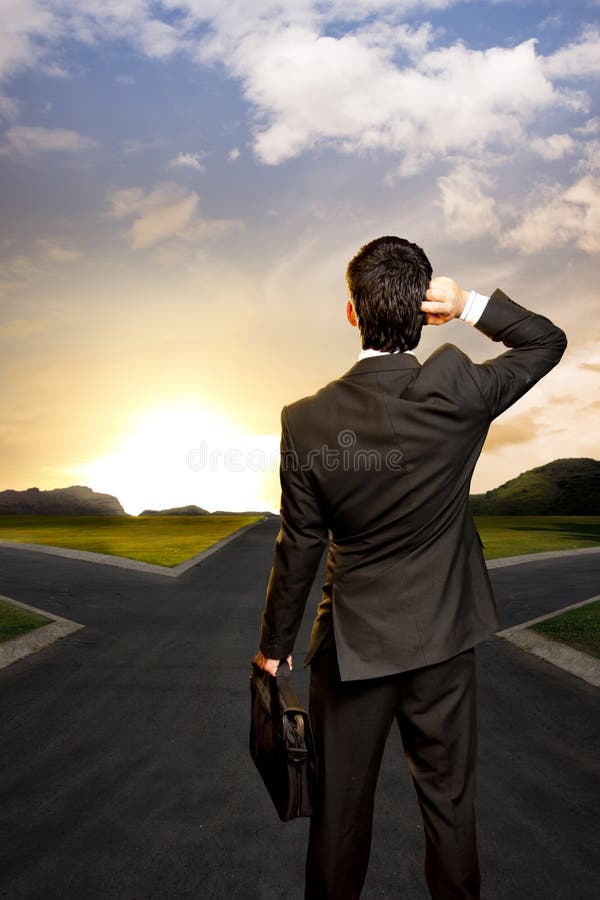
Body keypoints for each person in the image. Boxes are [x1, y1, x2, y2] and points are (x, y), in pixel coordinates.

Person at [253, 236, 567, 899]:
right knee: (450, 811)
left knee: (338, 819)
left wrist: (274, 650)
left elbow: (300, 544)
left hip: (353, 650)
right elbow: (545, 341)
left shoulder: (307, 422)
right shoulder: (460, 389)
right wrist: (469, 303)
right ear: (426, 313)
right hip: (445, 644)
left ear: (351, 313)